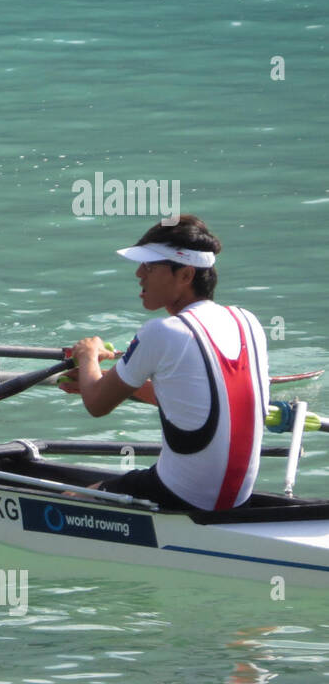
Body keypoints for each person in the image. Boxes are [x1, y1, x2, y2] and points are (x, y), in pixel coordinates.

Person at [69, 214, 269, 511]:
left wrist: (87, 356)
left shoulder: (161, 331)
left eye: (150, 265)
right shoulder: (247, 322)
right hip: (237, 500)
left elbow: (96, 404)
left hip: (183, 497)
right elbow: (190, 396)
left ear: (186, 275)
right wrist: (113, 380)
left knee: (68, 501)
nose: (139, 273)